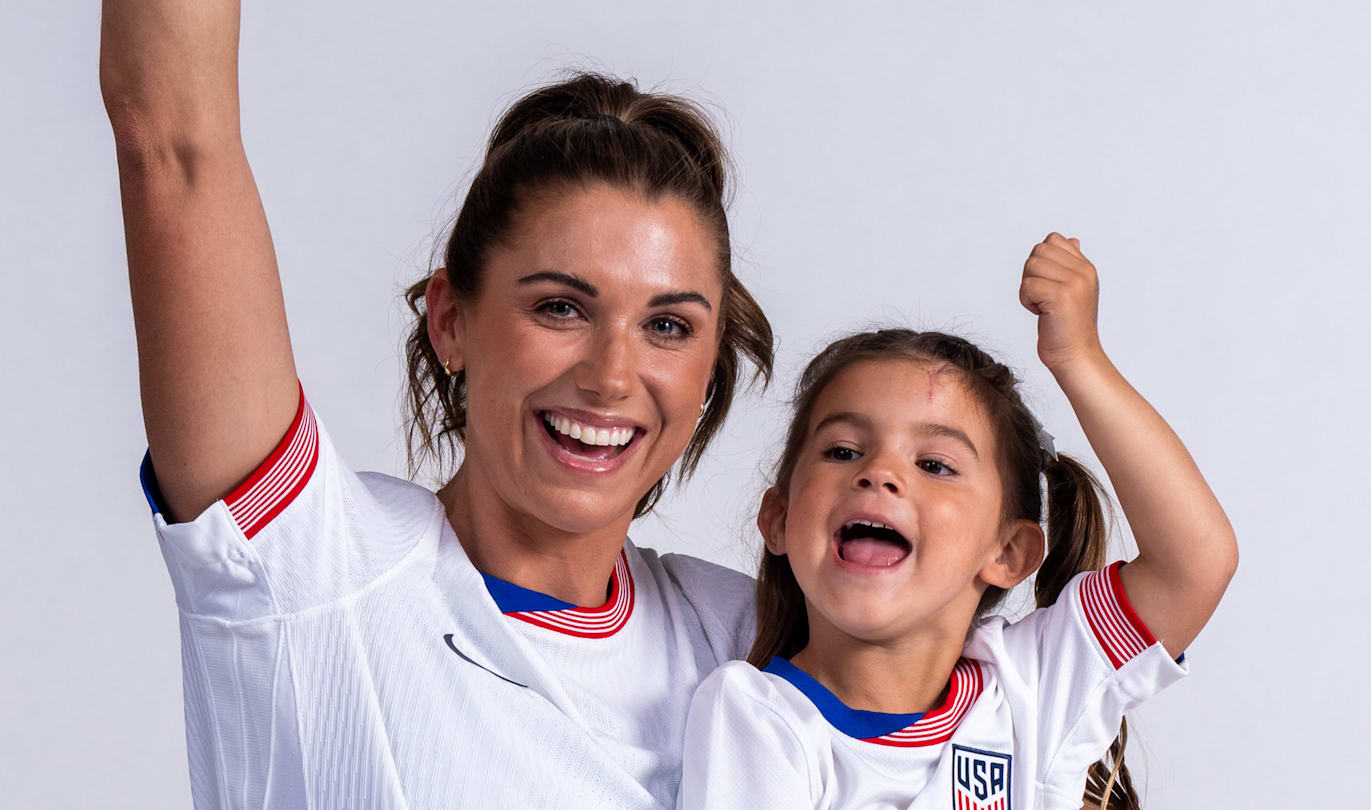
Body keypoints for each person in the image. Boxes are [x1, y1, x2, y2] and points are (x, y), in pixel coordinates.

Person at [100, 1, 773, 807]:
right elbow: (173, 144)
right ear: (451, 321)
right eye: (560, 307)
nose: (612, 376)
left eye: (668, 325)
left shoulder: (747, 642)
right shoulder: (314, 573)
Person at [678, 235, 1238, 809]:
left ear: (1009, 552)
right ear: (778, 518)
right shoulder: (756, 716)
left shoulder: (1031, 691)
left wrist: (1079, 359)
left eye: (934, 464)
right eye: (843, 451)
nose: (879, 473)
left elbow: (1194, 563)